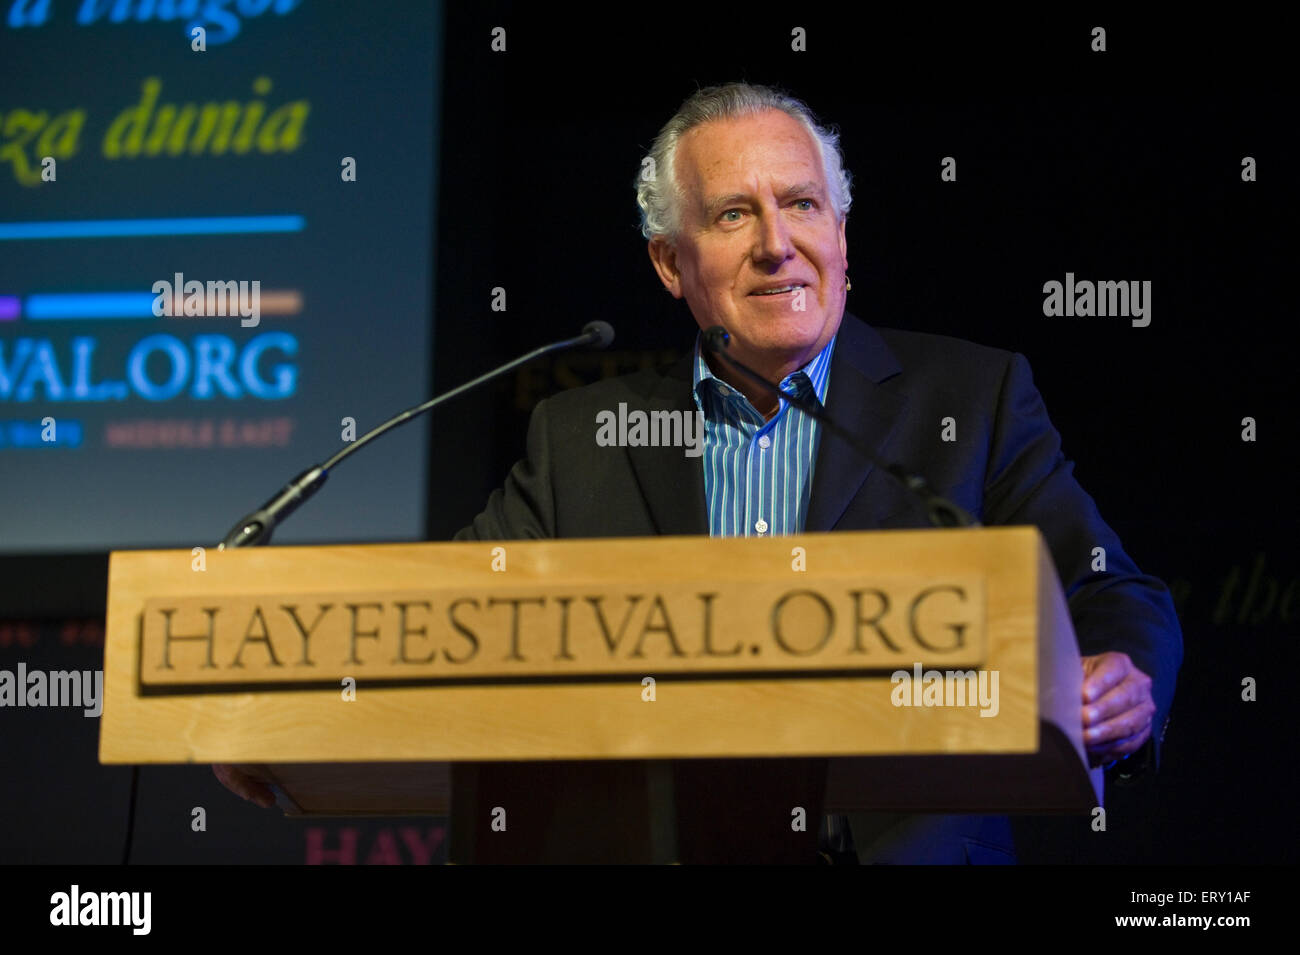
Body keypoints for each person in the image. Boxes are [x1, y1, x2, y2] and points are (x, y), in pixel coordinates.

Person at [217, 83, 1182, 864]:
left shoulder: (970, 397)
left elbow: (1112, 590)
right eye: (733, 213)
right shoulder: (582, 437)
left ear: (843, 234)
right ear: (670, 263)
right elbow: (438, 634)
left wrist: (1122, 676)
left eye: (802, 203)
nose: (777, 241)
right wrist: (294, 717)